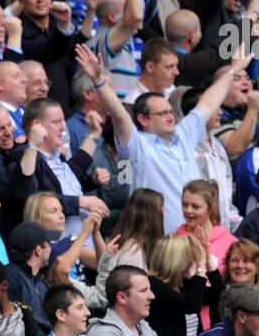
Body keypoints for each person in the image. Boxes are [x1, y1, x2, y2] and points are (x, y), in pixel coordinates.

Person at [73, 40, 246, 233]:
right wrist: (99, 80)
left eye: (171, 112)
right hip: (157, 246)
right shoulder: (137, 145)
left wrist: (234, 69)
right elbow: (119, 115)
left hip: (195, 240)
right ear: (143, 119)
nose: (171, 117)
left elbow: (207, 104)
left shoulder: (183, 134)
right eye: (163, 114)